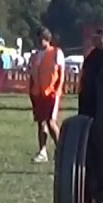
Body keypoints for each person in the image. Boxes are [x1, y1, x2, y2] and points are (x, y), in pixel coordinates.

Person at [28, 27, 65, 163]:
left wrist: (57, 90)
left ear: (46, 39)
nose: (37, 42)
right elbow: (32, 75)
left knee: (50, 122)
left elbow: (61, 74)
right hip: (38, 94)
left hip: (51, 93)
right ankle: (42, 151)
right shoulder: (35, 55)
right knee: (41, 123)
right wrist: (31, 91)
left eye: (39, 39)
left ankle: (62, 149)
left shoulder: (56, 53)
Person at [77, 28, 103, 117]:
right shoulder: (92, 55)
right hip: (88, 93)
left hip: (101, 94)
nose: (94, 40)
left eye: (97, 38)